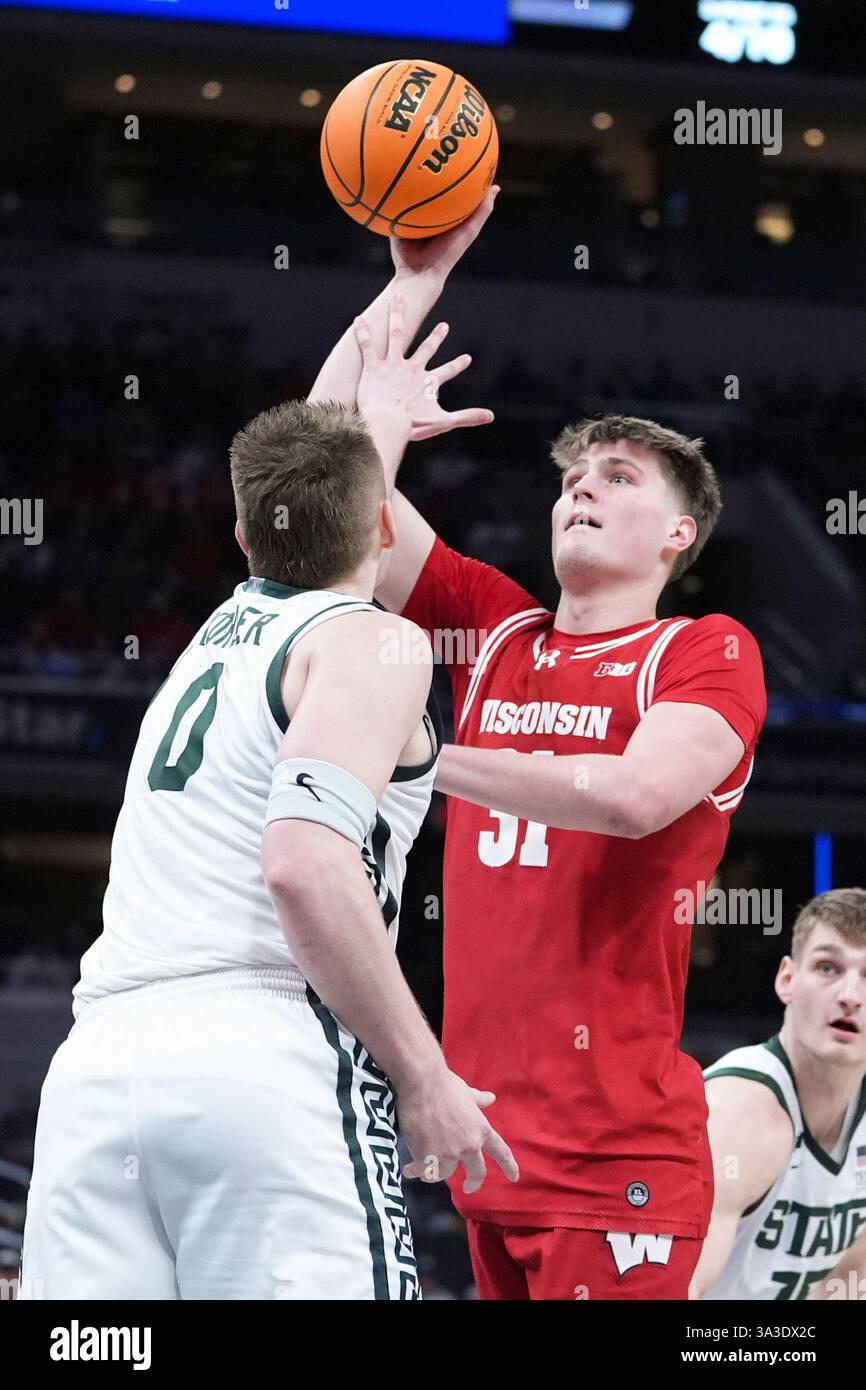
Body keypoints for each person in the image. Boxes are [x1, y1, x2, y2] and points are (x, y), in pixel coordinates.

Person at [310, 187, 767, 1298]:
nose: (580, 488)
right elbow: (316, 474)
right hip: (478, 1137)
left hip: (618, 1162)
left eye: (617, 478)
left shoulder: (701, 649)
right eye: (571, 476)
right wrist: (413, 285)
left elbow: (629, 796)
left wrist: (410, 753)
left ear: (677, 534)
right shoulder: (494, 627)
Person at [18, 364, 516, 1301]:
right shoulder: (376, 642)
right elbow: (302, 865)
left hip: (97, 1069)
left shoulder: (209, 639)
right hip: (264, 1055)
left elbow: (311, 471)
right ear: (383, 526)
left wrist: (405, 303)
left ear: (244, 534)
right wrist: (424, 1074)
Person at [691, 888, 866, 1301]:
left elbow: (850, 1279)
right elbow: (675, 1288)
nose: (850, 996)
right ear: (787, 979)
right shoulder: (738, 1114)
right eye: (828, 968)